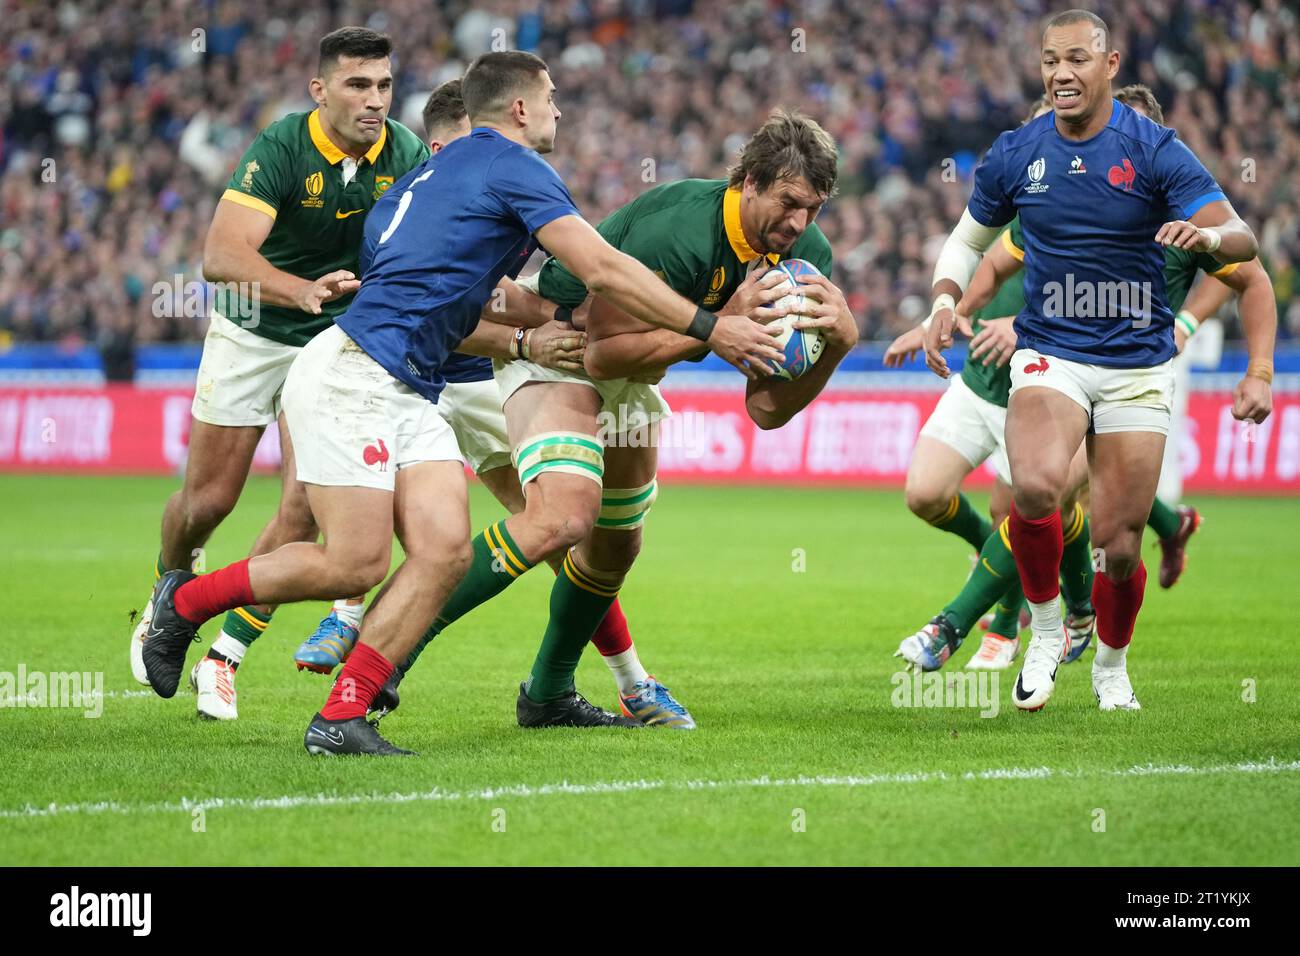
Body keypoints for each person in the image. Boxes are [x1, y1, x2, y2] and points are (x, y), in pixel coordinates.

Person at [140, 51, 783, 755]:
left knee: (444, 554)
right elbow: (600, 266)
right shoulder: (515, 168)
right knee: (356, 564)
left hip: (412, 385)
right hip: (354, 373)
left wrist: (525, 343)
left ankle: (342, 715)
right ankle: (185, 603)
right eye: (551, 99)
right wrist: (710, 325)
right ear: (518, 110)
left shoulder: (422, 181)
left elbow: (451, 305)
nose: (558, 112)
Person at [295, 79, 688, 728]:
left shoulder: (483, 184)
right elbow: (441, 306)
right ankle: (307, 630)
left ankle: (625, 680)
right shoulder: (422, 198)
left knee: (557, 529)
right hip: (405, 378)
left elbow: (526, 296)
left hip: (480, 381)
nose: (444, 160)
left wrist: (540, 328)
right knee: (345, 522)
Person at [923, 11, 1269, 711]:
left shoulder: (1156, 152)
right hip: (1051, 353)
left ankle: (1112, 664)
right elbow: (968, 243)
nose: (1060, 73)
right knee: (1034, 488)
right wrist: (942, 300)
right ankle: (1046, 628)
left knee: (1116, 543)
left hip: (1137, 366)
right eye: (1050, 60)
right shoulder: (1018, 152)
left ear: (1110, 65)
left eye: (1077, 59)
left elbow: (1244, 244)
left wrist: (1208, 250)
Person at [128, 28, 430, 720]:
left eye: (384, 86)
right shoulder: (283, 147)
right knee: (206, 503)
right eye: (358, 85)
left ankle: (223, 657)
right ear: (319, 91)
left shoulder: (405, 153)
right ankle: (169, 586)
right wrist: (296, 289)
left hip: (332, 342)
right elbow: (221, 255)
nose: (375, 101)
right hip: (253, 327)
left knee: (302, 507)